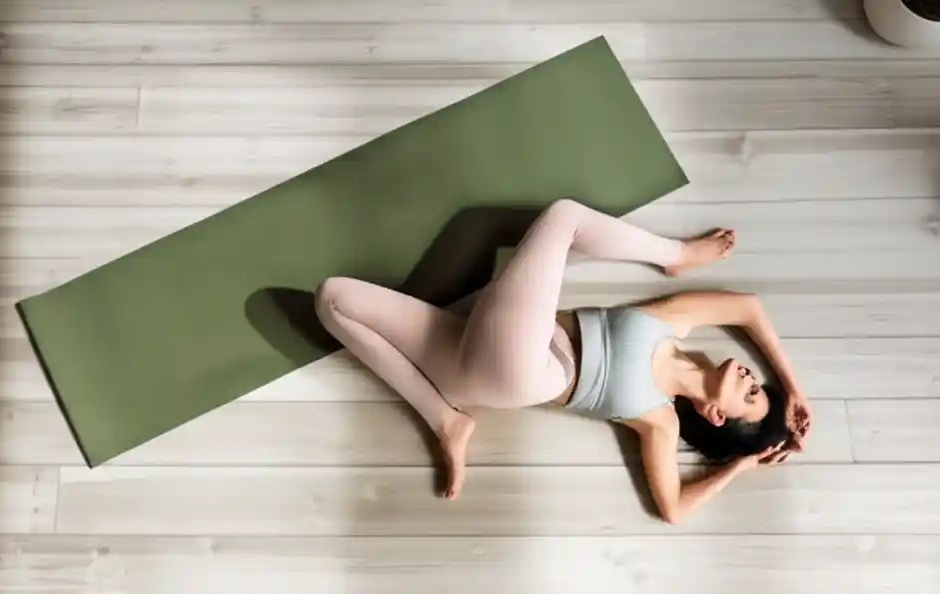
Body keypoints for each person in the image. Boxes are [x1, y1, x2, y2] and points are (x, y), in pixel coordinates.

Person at [315, 199, 812, 522]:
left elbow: (673, 508)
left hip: (522, 374)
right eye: (757, 383)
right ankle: (445, 419)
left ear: (716, 415)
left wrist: (740, 467)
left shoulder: (659, 420)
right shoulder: (673, 323)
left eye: (751, 395)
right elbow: (749, 308)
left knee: (564, 217)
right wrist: (791, 389)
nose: (751, 378)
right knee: (332, 299)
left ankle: (675, 253)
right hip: (473, 352)